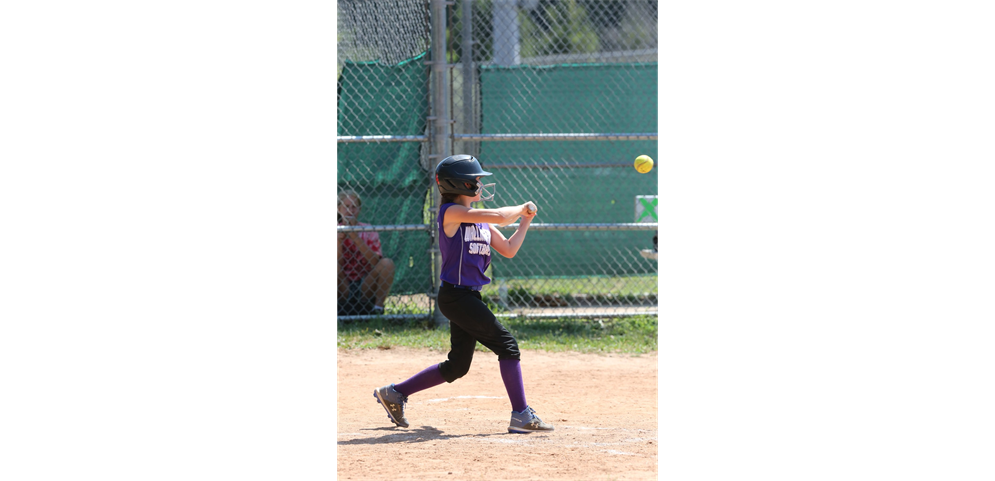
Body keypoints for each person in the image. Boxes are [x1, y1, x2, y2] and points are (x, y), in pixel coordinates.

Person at [373, 154, 554, 433]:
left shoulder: (481, 222)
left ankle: (395, 393)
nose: (480, 185)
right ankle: (521, 415)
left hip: (468, 297)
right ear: (461, 185)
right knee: (507, 345)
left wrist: (524, 222)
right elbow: (500, 216)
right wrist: (520, 208)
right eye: (476, 181)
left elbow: (508, 249)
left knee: (457, 366)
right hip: (456, 297)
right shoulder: (451, 212)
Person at [337, 189, 395, 316]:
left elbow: (375, 261)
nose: (350, 211)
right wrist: (339, 241)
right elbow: (339, 264)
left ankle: (377, 310)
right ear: (339, 209)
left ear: (359, 210)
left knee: (387, 264)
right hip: (342, 285)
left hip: (365, 283)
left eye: (354, 207)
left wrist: (354, 236)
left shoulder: (368, 229)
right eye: (346, 206)